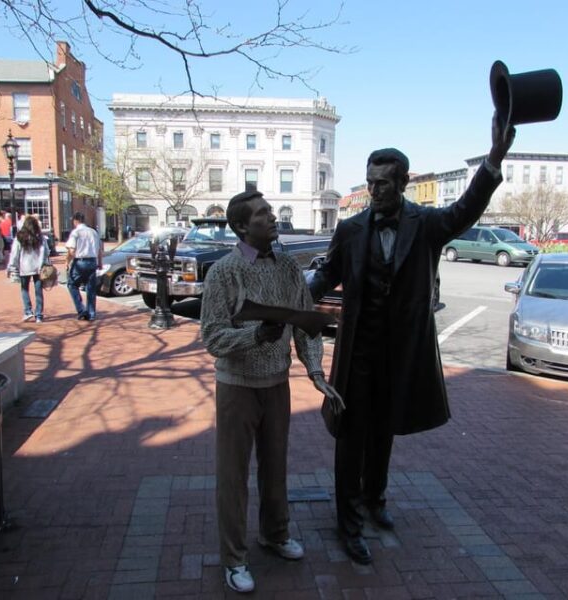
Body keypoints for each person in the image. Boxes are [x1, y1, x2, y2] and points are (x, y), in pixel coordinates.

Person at [308, 113, 515, 565]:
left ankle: (374, 499)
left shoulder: (425, 225)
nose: (374, 191)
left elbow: (466, 210)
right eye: (370, 183)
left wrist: (494, 158)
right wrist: (300, 293)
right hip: (357, 352)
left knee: (384, 430)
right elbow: (329, 272)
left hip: (401, 352)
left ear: (401, 182)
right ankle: (348, 522)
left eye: (383, 183)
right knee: (350, 436)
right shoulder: (351, 228)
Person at [200, 190, 341, 594]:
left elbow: (304, 324)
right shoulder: (224, 272)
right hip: (236, 388)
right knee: (233, 475)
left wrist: (315, 371)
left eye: (271, 212)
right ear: (243, 226)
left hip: (277, 384)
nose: (273, 218)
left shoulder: (289, 268)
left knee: (275, 466)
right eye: (263, 215)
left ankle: (275, 534)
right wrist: (255, 335)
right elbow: (211, 337)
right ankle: (234, 558)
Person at [7, 215, 50, 323]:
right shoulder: (40, 238)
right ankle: (39, 315)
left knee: (24, 289)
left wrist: (12, 266)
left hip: (24, 267)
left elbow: (14, 253)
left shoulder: (20, 237)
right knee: (38, 291)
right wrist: (44, 262)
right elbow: (46, 251)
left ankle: (28, 311)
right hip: (38, 267)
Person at [65, 211, 103, 321]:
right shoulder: (93, 232)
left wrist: (68, 261)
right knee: (91, 288)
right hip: (92, 261)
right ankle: (91, 313)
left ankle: (81, 309)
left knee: (72, 284)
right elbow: (99, 250)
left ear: (75, 221)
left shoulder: (76, 232)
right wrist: (100, 263)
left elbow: (71, 250)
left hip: (80, 261)